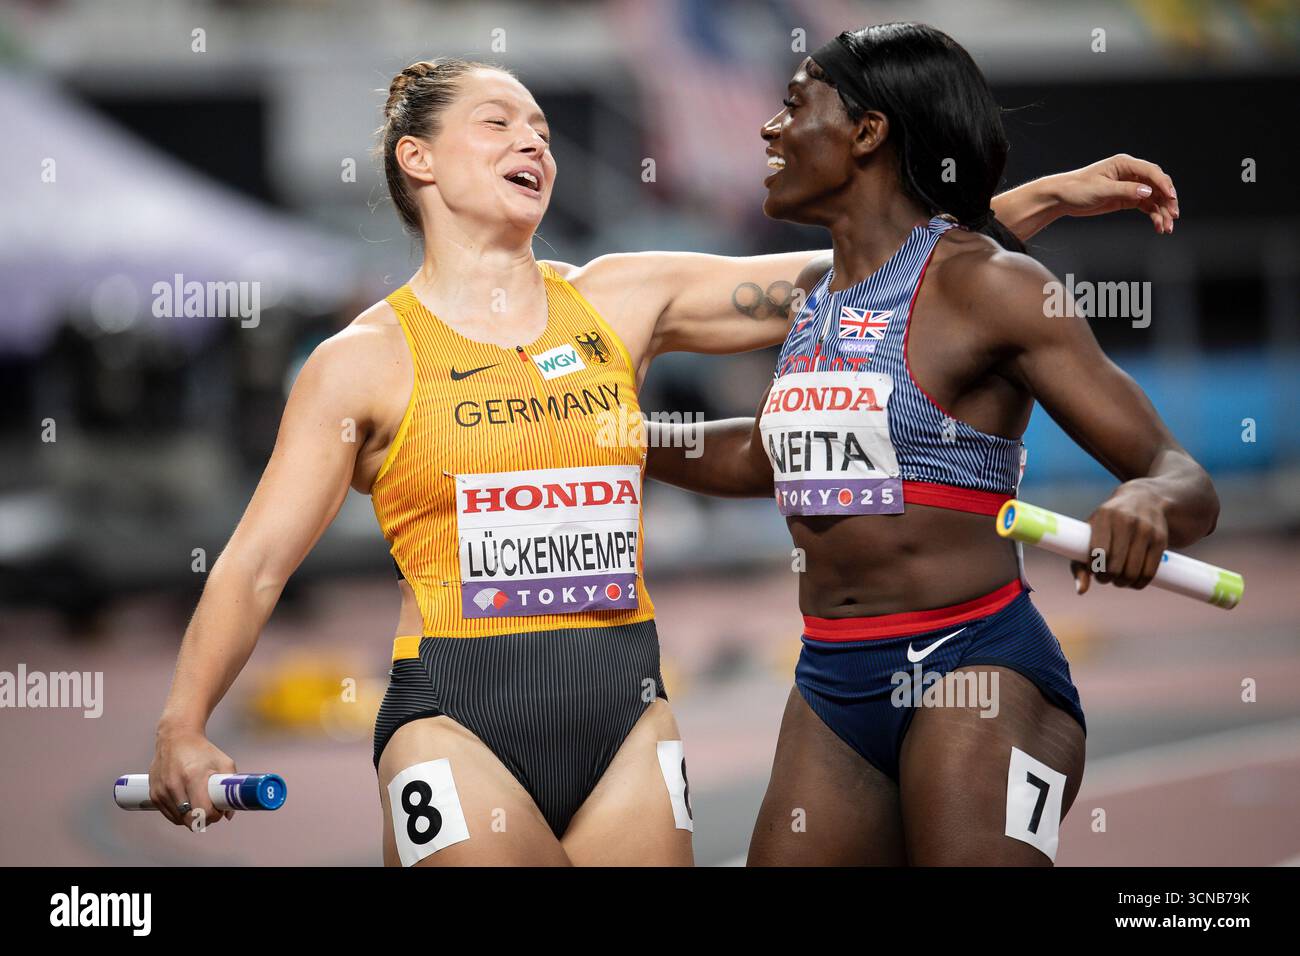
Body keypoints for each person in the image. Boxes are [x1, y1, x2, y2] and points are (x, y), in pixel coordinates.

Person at [147, 55, 1182, 866]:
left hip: (626, 703)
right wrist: (183, 724)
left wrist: (1040, 197)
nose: (532, 142)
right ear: (418, 160)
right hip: (457, 701)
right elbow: (255, 563)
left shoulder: (619, 295)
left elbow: (872, 264)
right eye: (498, 123)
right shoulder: (359, 359)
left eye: (543, 130)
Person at [646, 24, 1217, 866]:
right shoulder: (811, 296)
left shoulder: (995, 285)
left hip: (975, 665)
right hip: (833, 683)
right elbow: (765, 455)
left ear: (868, 133)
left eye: (793, 106)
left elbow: (1183, 477)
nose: (768, 128)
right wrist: (613, 435)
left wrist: (1144, 502)